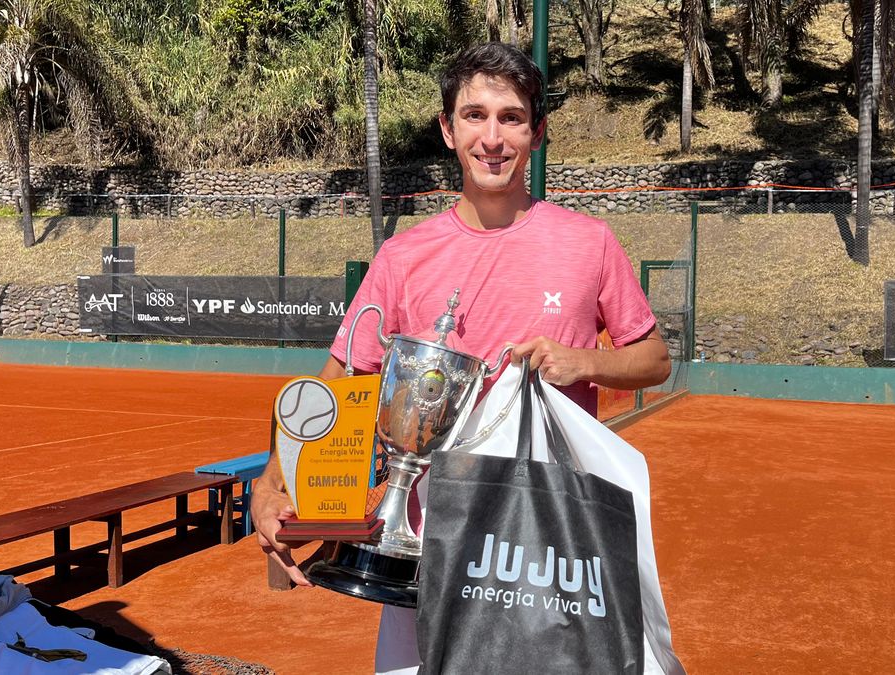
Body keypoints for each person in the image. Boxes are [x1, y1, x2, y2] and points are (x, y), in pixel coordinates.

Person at [249, 41, 671, 668]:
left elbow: (654, 359)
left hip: (546, 543)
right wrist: (270, 485)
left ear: (537, 131)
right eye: (474, 116)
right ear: (448, 130)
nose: (493, 137)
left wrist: (584, 362)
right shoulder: (403, 257)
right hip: (423, 545)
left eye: (512, 117)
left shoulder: (589, 243)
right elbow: (338, 385)